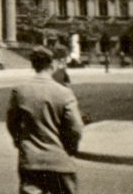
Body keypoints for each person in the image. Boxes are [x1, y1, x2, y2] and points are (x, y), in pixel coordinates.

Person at [6, 46, 84, 194]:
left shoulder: (20, 91)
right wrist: (70, 148)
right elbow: (76, 127)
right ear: (52, 64)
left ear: (33, 65)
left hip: (31, 161)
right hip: (59, 160)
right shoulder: (64, 93)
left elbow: (12, 123)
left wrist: (20, 143)